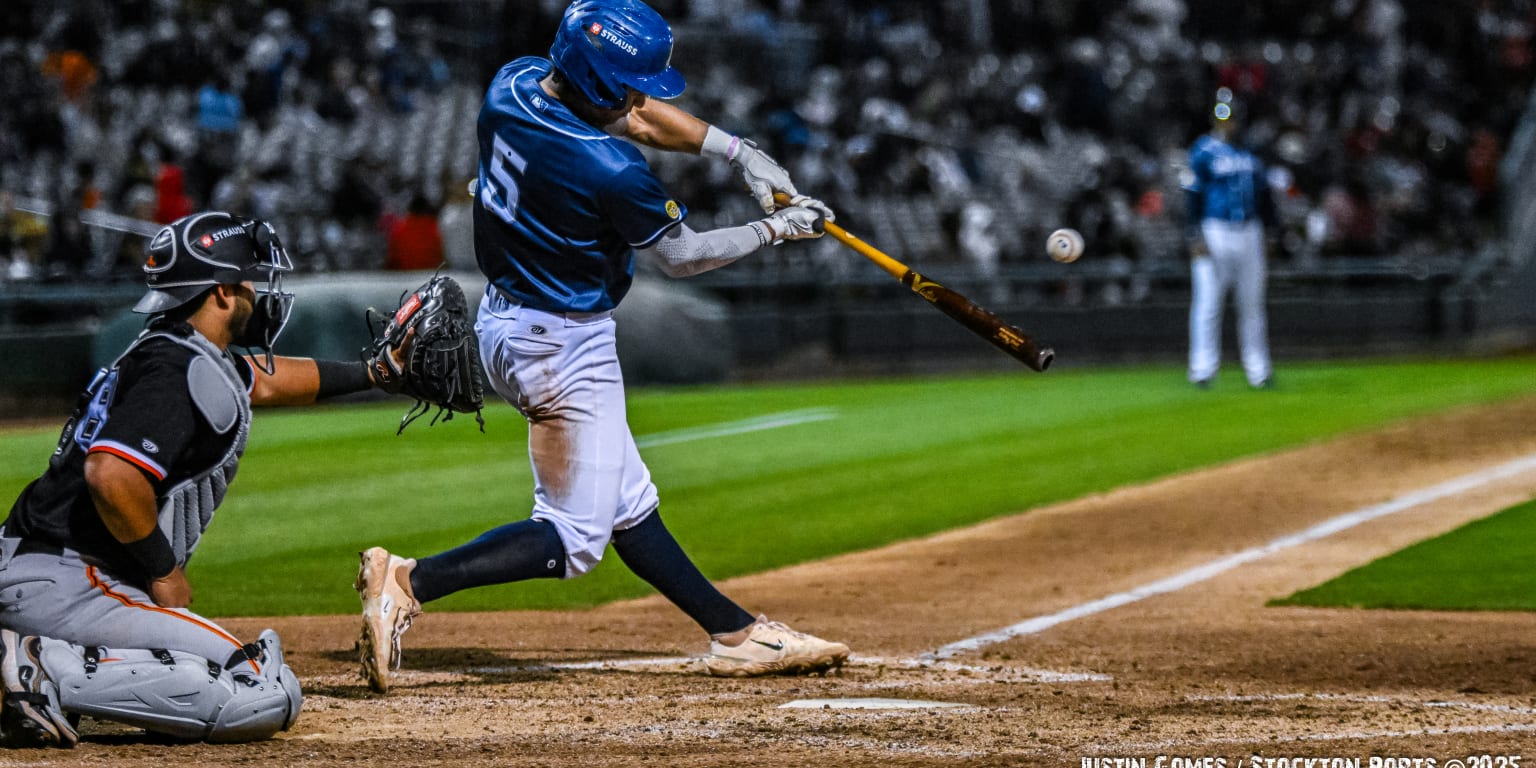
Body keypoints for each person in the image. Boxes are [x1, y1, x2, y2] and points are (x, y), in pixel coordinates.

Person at [355, 0, 849, 693]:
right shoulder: (612, 169)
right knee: (574, 539)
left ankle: (736, 633)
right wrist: (778, 229)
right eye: (628, 83)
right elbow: (682, 256)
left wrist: (740, 153)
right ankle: (407, 580)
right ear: (595, 83)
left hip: (506, 318)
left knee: (629, 501)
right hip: (559, 346)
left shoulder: (515, 83)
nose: (642, 97)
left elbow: (637, 115)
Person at [0, 212, 391, 747]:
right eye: (249, 279)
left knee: (229, 673)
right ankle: (35, 665)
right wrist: (163, 569)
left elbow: (270, 385)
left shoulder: (178, 351)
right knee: (259, 691)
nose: (259, 292)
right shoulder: (178, 370)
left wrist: (379, 371)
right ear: (222, 293)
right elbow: (110, 474)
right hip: (66, 582)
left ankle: (37, 658)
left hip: (42, 571)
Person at [1184, 92, 1275, 389]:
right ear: (1215, 118)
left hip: (1250, 230)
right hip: (1215, 230)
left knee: (1252, 304)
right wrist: (1193, 234)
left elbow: (1265, 197)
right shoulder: (1203, 151)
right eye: (1223, 116)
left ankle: (1259, 371)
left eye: (1232, 116)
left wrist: (1270, 232)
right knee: (1208, 302)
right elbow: (1193, 195)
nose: (1228, 122)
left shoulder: (1251, 153)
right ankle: (1202, 369)